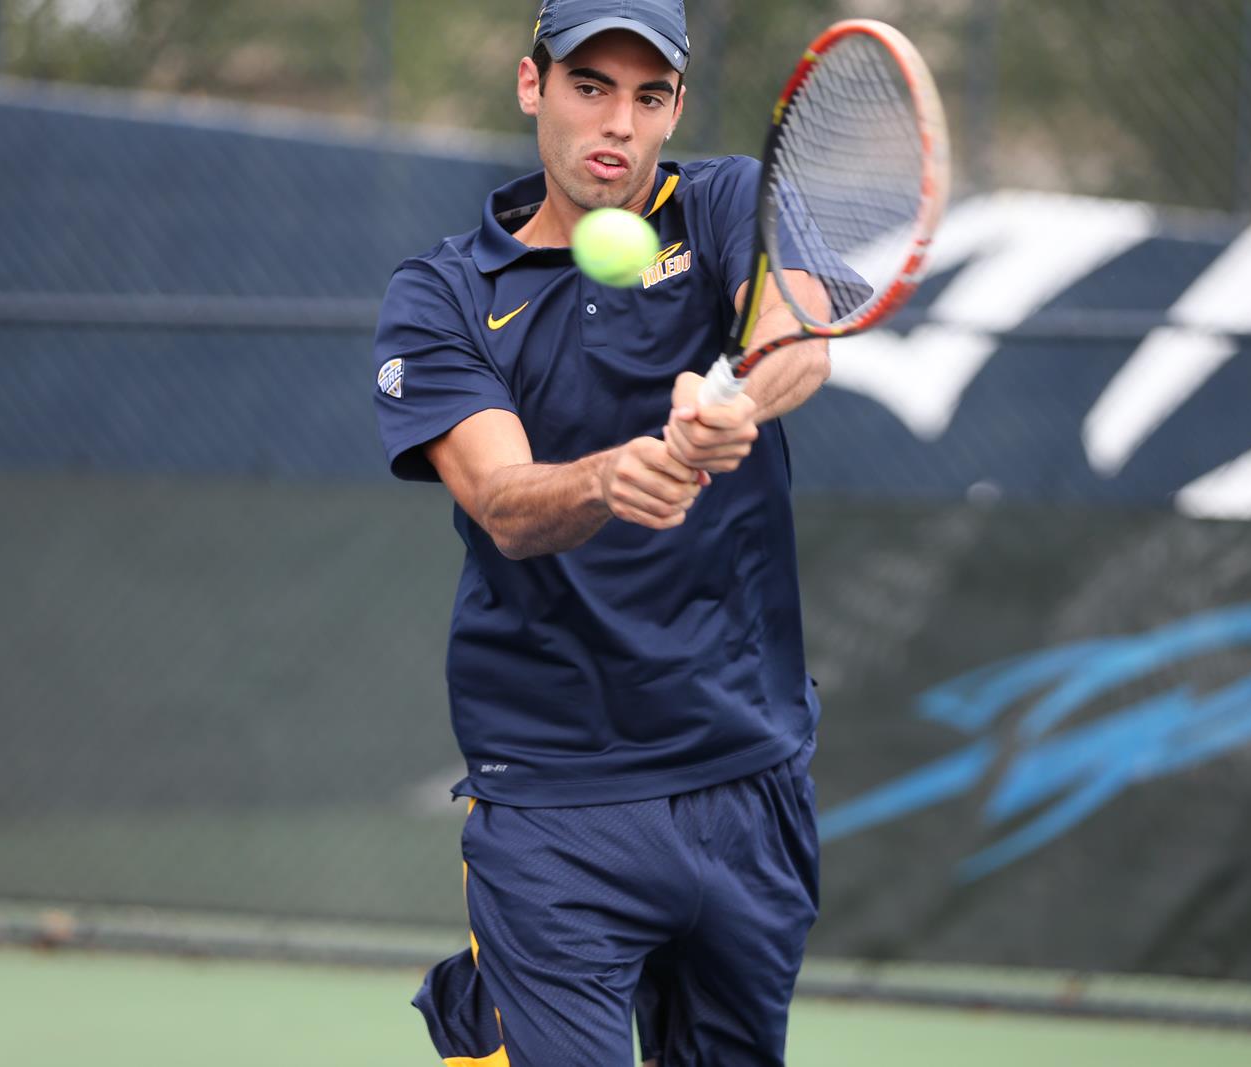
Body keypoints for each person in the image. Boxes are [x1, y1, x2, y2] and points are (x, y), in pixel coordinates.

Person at [371, 2, 830, 1063]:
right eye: (589, 86)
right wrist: (613, 478)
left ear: (675, 108)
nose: (616, 123)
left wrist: (741, 396)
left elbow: (794, 329)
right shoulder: (441, 295)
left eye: (648, 95)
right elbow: (502, 499)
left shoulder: (720, 202)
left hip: (747, 781)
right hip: (555, 800)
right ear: (531, 86)